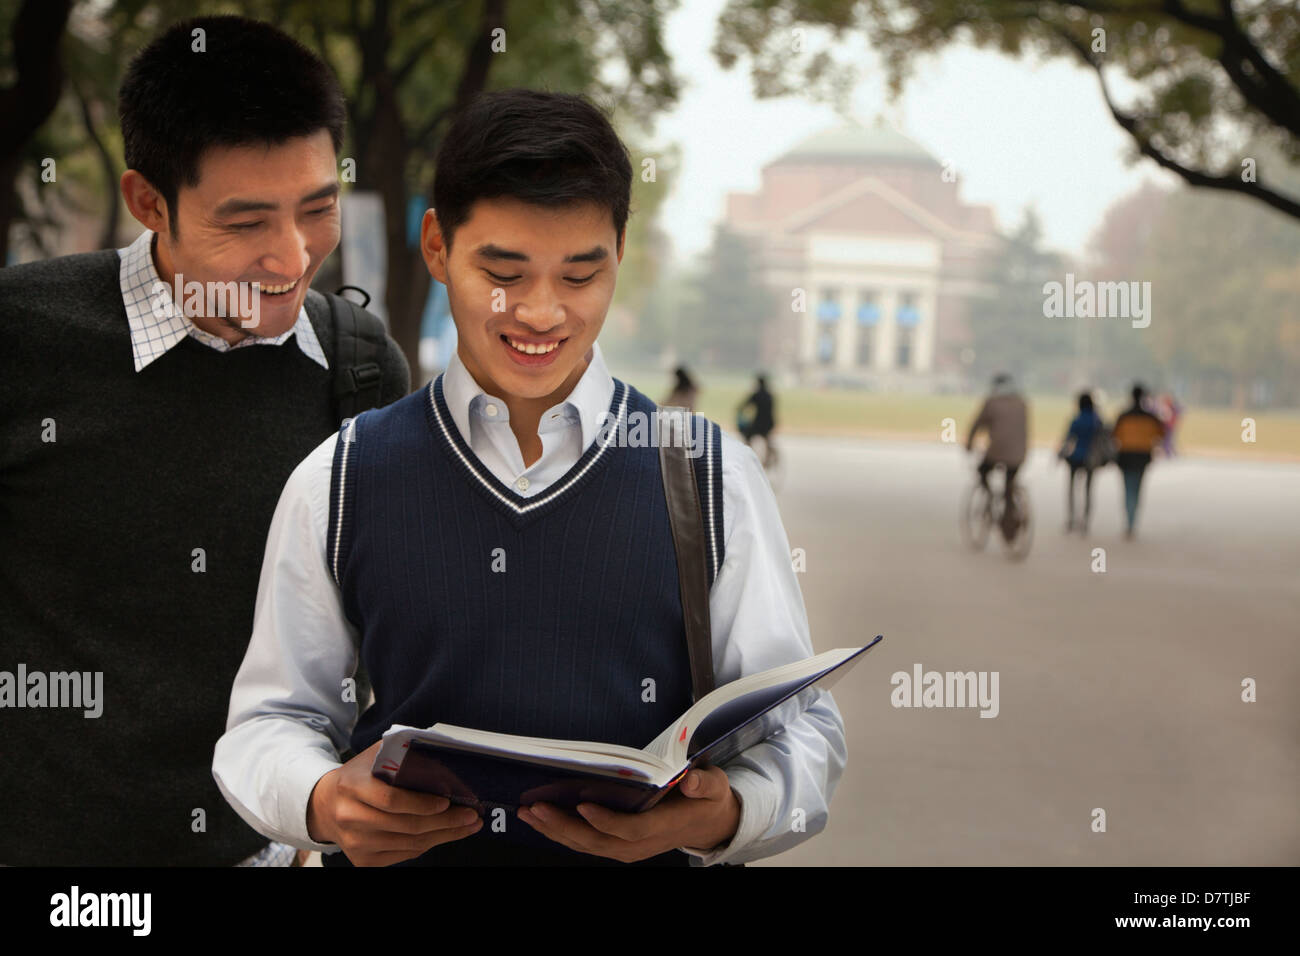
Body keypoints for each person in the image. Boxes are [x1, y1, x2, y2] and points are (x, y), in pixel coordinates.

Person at [213, 89, 846, 867]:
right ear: (438, 246)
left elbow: (800, 731)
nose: (543, 313)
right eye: (505, 272)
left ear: (620, 248)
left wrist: (724, 814)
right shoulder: (341, 476)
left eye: (582, 276)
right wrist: (322, 799)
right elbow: (269, 721)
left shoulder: (709, 475)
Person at [0, 16, 409, 867]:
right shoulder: (23, 339)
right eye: (247, 222)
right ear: (148, 201)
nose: (292, 258)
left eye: (317, 209)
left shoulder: (360, 369)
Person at [965, 372, 1029, 537]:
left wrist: (969, 443)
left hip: (997, 452)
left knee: (983, 471)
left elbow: (978, 424)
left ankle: (991, 497)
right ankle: (1010, 514)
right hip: (1020, 454)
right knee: (1009, 485)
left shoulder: (992, 403)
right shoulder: (1022, 403)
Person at [1112, 383, 1167, 540]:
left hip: (1126, 455)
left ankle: (1129, 521)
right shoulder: (1150, 417)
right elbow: (1161, 434)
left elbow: (1114, 434)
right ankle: (1132, 520)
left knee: (1128, 489)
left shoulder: (1124, 416)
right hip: (1142, 456)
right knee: (1136, 489)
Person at [1057, 391, 1105, 533]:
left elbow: (1068, 440)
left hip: (1076, 457)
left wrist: (1060, 454)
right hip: (1092, 458)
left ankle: (1071, 518)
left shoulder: (1077, 420)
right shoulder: (1097, 420)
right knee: (1088, 490)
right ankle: (1085, 520)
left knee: (1072, 489)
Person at [737, 373, 777, 467]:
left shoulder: (756, 395)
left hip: (758, 423)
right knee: (767, 438)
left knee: (748, 437)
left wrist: (739, 410)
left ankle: (748, 456)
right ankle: (768, 458)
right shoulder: (770, 395)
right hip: (769, 423)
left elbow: (744, 405)